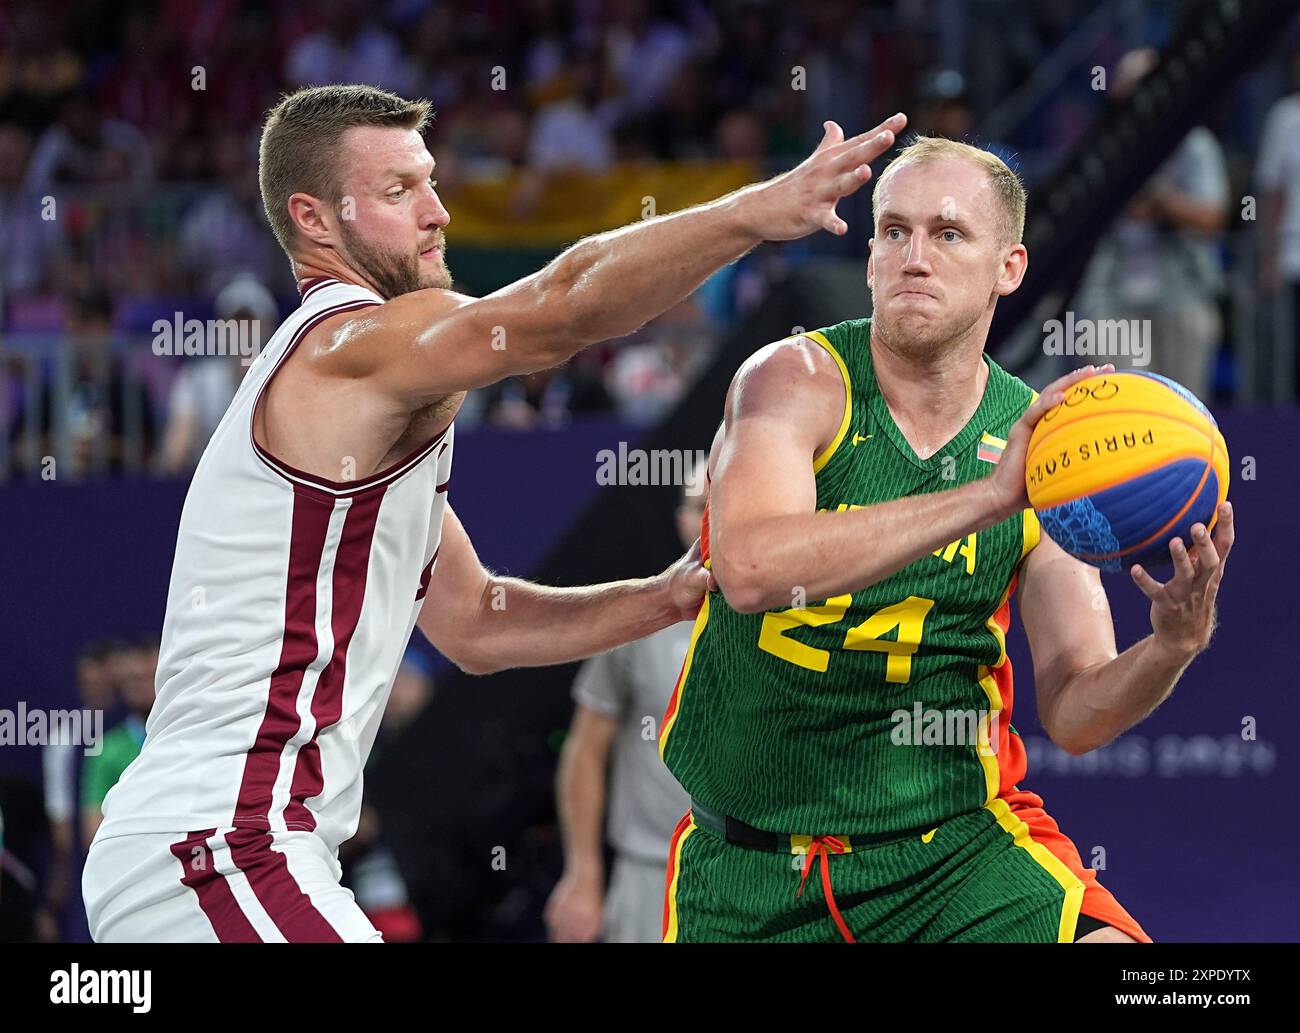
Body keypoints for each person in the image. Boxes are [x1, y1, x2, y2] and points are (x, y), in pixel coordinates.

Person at [81, 82, 907, 942]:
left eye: (432, 182)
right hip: (220, 846)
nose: (439, 212)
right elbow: (559, 311)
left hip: (231, 850)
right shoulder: (348, 347)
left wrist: (660, 598)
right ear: (316, 221)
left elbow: (479, 622)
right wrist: (754, 212)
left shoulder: (359, 427)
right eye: (402, 191)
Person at [659, 136, 1234, 943]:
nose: (914, 257)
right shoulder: (796, 380)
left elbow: (1076, 710)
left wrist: (1171, 646)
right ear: (868, 258)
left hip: (952, 856)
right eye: (893, 232)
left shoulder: (1051, 453)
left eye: (948, 233)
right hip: (751, 872)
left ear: (1010, 267)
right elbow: (751, 569)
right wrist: (984, 497)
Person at [544, 484, 703, 943]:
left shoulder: (794, 618)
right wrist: (583, 875)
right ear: (680, 519)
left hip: (763, 870)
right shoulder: (641, 619)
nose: (708, 515)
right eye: (697, 505)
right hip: (649, 874)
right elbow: (586, 749)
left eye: (719, 501)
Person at [1073, 49, 1229, 398]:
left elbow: (1212, 218)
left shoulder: (1194, 146)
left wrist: (1160, 200)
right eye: (1129, 91)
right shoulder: (1104, 148)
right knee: (1122, 400)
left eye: (1146, 89)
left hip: (1181, 291)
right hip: (1112, 292)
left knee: (1185, 405)